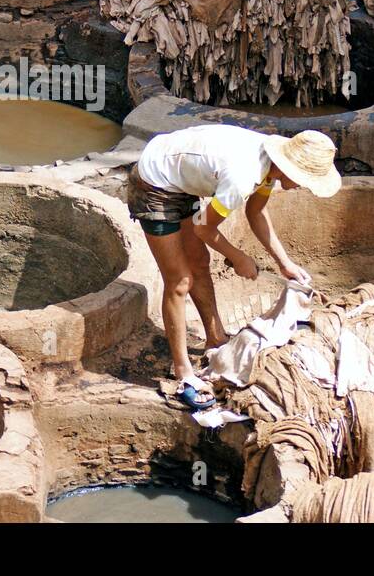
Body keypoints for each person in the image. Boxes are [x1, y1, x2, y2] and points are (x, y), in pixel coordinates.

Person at [127, 125, 342, 410]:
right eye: (306, 180)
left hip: (179, 178)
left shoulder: (269, 168)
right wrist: (238, 257)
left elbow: (256, 212)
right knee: (180, 280)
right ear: (290, 169)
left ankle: (215, 338)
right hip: (155, 181)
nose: (306, 186)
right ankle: (183, 373)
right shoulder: (244, 175)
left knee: (200, 262)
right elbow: (204, 228)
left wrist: (285, 264)